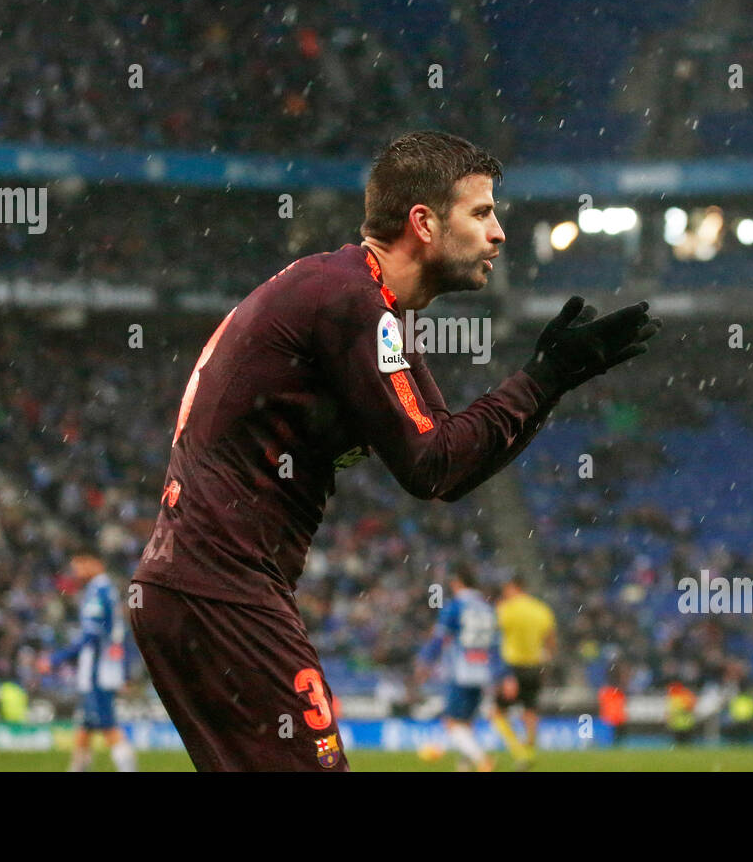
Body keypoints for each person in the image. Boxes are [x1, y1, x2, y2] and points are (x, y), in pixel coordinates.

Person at [130, 130, 660, 771]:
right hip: (222, 591)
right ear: (423, 223)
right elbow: (432, 465)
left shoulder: (354, 298)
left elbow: (444, 466)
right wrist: (544, 379)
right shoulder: (351, 302)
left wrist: (550, 380)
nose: (498, 234)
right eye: (482, 212)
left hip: (197, 589)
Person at [42, 546, 136, 772]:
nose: (75, 569)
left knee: (108, 725)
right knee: (85, 728)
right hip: (99, 668)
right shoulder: (103, 590)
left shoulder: (99, 591)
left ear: (96, 563)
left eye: (80, 563)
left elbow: (92, 636)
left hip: (98, 671)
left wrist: (56, 659)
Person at [416, 564, 499, 772]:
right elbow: (496, 644)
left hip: (462, 671)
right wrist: (501, 674)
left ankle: (483, 761)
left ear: (456, 583)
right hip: (483, 671)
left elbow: (439, 638)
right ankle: (464, 767)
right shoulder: (487, 607)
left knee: (452, 723)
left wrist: (425, 661)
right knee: (466, 724)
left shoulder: (455, 606)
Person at [491, 575, 556, 769]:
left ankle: (519, 751)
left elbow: (495, 636)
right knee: (530, 710)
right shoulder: (541, 609)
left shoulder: (506, 609)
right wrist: (546, 662)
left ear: (513, 587)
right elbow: (551, 640)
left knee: (497, 712)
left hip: (512, 667)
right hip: (535, 666)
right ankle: (530, 751)